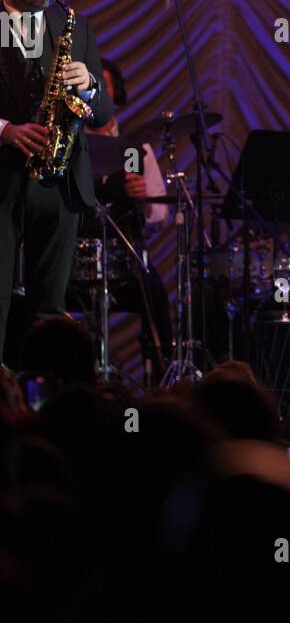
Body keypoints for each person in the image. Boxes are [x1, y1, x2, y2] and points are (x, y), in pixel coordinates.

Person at [0, 0, 113, 364]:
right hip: (3, 179)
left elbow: (102, 114)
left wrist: (88, 89)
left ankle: (51, 409)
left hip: (58, 180)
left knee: (52, 307)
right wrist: (6, 129)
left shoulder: (75, 26)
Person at [81, 56, 173, 381]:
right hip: (76, 264)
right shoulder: (70, 147)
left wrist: (143, 195)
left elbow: (159, 215)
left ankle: (161, 377)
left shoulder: (134, 149)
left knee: (154, 294)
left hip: (124, 265)